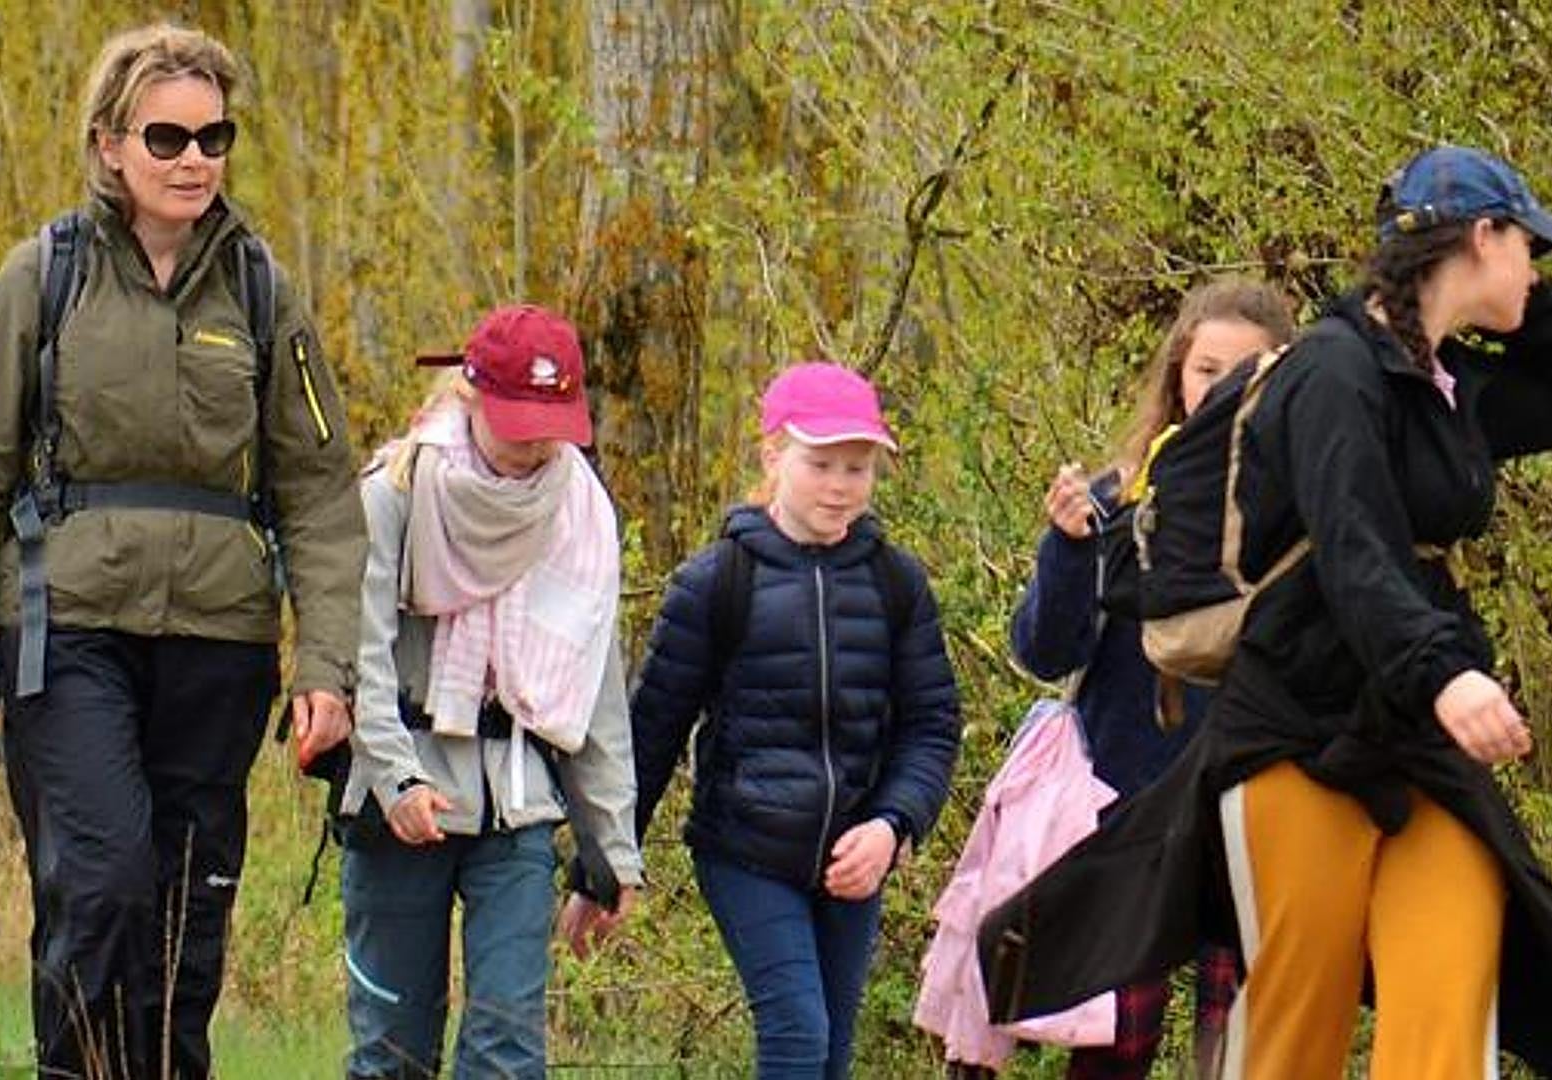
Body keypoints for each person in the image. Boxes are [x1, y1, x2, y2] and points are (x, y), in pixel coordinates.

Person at [980, 145, 1552, 1079]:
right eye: (1527, 245)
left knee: (1450, 993)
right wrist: (1448, 675)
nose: (1537, 268)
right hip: (1298, 727)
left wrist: (1510, 297)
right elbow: (1352, 550)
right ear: (1482, 235)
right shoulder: (1330, 370)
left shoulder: (1446, 382)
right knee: (1300, 1023)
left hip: (1418, 734)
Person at [0, 23, 365, 1079]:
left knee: (186, 914)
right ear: (110, 144)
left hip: (220, 645)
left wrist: (326, 668)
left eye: (214, 137)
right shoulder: (44, 276)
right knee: (104, 882)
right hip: (64, 634)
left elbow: (319, 495)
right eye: (167, 137)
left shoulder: (261, 290)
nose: (193, 159)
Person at [921, 281, 1293, 1079]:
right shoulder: (1121, 502)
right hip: (1126, 810)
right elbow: (1044, 650)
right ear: (1178, 374)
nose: (1221, 391)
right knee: (1117, 1046)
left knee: (1244, 1050)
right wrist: (1068, 547)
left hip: (1249, 810)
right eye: (1207, 369)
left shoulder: (1298, 516)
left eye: (1245, 373)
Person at [630, 361, 961, 1079]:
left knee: (831, 1056)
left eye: (858, 468)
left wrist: (893, 825)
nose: (840, 485)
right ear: (772, 456)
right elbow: (651, 731)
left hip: (854, 859)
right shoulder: (714, 583)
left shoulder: (896, 583)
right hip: (745, 850)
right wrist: (606, 868)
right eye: (821, 464)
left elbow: (932, 724)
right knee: (797, 1035)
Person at [338, 304, 643, 1080]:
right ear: (472, 396)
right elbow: (360, 654)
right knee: (392, 1051)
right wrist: (395, 780)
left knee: (508, 1047)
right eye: (518, 424)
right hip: (400, 799)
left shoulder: (580, 516)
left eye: (550, 425)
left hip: (519, 803)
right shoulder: (395, 491)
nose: (535, 444)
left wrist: (614, 851)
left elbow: (594, 688)